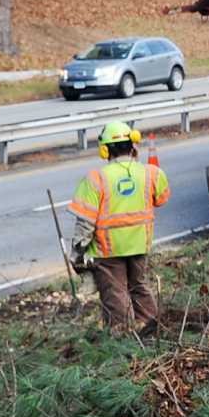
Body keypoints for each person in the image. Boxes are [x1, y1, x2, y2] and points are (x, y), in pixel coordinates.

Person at [68, 121, 170, 334]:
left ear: (104, 150)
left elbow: (85, 223)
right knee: (139, 286)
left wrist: (77, 253)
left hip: (108, 251)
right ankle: (153, 331)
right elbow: (161, 199)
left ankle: (122, 339)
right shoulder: (151, 173)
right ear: (133, 145)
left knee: (115, 293)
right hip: (140, 245)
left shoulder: (96, 179)